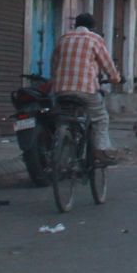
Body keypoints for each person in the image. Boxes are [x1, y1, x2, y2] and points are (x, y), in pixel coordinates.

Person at [54, 12, 121, 164]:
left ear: (75, 25)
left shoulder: (63, 38)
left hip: (61, 89)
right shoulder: (94, 39)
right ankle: (100, 151)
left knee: (62, 117)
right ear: (92, 27)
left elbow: (55, 63)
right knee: (100, 117)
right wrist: (115, 78)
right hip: (85, 89)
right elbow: (107, 64)